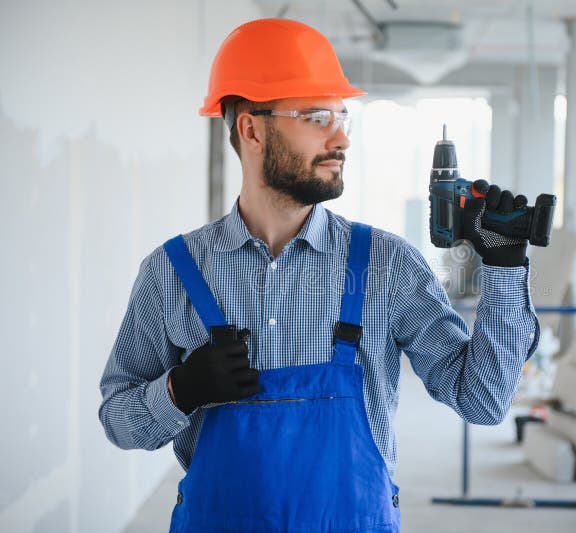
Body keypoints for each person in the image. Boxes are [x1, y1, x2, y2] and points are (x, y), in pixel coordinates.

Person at [99, 18, 540, 533]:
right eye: (315, 117)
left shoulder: (386, 266)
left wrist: (505, 267)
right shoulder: (173, 272)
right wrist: (179, 390)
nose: (341, 139)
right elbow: (119, 421)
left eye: (342, 118)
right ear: (251, 128)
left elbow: (483, 401)